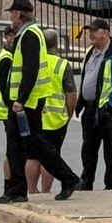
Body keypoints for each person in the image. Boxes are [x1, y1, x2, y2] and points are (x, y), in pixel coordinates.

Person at [6, 0, 82, 200]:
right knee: (20, 146)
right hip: (28, 101)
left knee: (34, 145)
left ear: (19, 15)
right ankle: (15, 191)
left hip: (28, 102)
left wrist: (20, 99)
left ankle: (68, 178)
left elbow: (30, 71)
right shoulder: (28, 34)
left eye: (12, 14)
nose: (11, 18)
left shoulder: (29, 35)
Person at [78, 20, 112, 190]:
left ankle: (110, 184)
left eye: (95, 31)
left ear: (106, 33)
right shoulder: (90, 52)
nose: (91, 34)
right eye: (90, 31)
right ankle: (86, 182)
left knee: (110, 149)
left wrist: (111, 105)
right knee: (88, 149)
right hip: (89, 108)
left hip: (105, 110)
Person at [34, 28, 77, 193]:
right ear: (57, 44)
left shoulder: (35, 61)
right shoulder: (62, 64)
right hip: (57, 118)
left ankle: (32, 191)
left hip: (36, 115)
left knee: (33, 156)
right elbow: (71, 93)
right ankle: (46, 191)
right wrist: (69, 113)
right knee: (52, 156)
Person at [0, 29, 26, 202]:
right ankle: (9, 188)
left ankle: (14, 188)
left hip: (7, 111)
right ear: (8, 37)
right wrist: (13, 106)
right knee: (12, 153)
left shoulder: (9, 56)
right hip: (7, 112)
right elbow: (6, 89)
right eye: (14, 37)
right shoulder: (7, 58)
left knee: (15, 152)